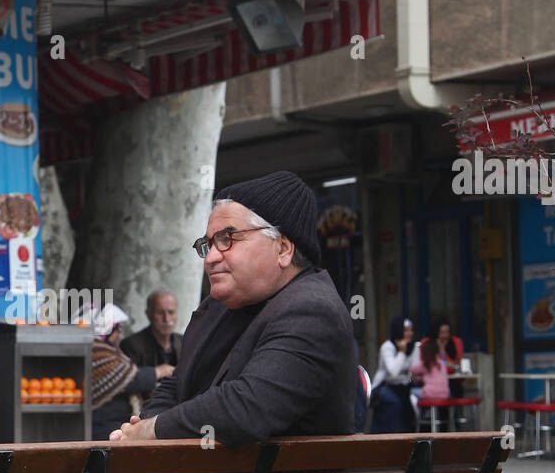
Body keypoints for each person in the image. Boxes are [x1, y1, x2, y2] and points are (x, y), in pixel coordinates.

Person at [108, 171, 356, 446]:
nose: (211, 258)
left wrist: (153, 429)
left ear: (283, 249)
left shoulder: (312, 311)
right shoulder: (220, 305)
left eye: (228, 239)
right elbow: (177, 384)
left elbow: (247, 408)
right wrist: (141, 429)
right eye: (208, 244)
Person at [90, 303, 172, 440]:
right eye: (117, 329)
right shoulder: (96, 351)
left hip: (114, 423)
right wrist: (159, 371)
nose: (119, 334)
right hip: (104, 426)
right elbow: (131, 379)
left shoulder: (108, 349)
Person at [369, 316, 416, 433]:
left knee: (411, 406)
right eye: (406, 330)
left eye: (411, 330)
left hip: (404, 386)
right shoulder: (387, 347)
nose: (410, 333)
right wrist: (402, 352)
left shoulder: (413, 346)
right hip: (384, 386)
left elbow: (415, 368)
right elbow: (393, 372)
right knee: (395, 404)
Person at [120, 290, 182, 369]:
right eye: (159, 312)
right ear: (148, 314)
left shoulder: (184, 342)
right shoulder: (131, 346)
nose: (166, 319)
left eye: (171, 312)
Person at [411, 332, 451, 428]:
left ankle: (418, 417)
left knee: (411, 393)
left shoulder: (425, 363)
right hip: (445, 394)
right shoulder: (442, 363)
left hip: (430, 393)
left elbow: (412, 369)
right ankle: (428, 415)